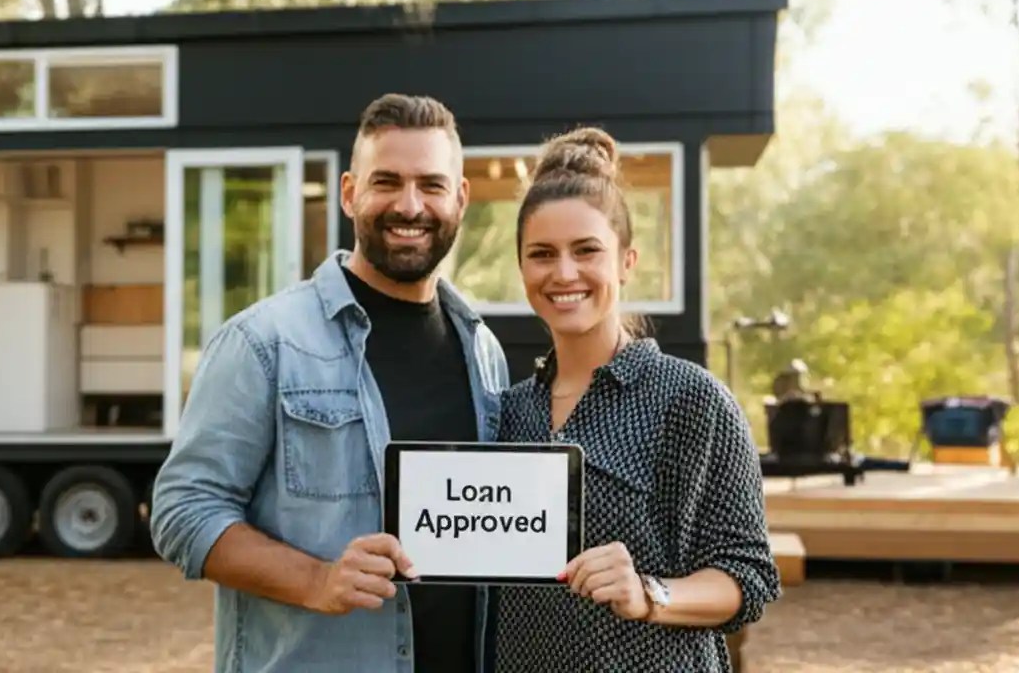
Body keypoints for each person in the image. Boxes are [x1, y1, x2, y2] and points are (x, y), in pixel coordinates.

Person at [150, 93, 510, 673]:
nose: (409, 205)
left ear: (461, 198)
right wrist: (317, 580)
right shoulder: (262, 342)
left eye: (432, 185)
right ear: (349, 193)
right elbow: (181, 511)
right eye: (386, 182)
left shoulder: (483, 351)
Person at [491, 127, 781, 672]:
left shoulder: (692, 401)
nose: (564, 273)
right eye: (542, 254)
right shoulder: (510, 412)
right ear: (523, 269)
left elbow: (749, 578)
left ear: (627, 261)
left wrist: (649, 593)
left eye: (587, 251)